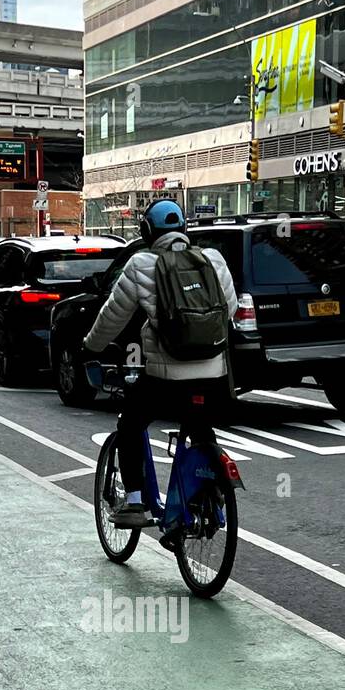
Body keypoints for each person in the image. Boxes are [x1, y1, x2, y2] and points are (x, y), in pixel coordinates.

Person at [82, 199, 238, 527]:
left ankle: (136, 503)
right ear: (183, 230)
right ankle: (211, 487)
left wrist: (91, 345)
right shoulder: (213, 260)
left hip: (164, 380)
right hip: (214, 376)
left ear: (147, 232)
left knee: (131, 425)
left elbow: (112, 317)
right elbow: (230, 308)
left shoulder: (141, 265)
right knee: (199, 426)